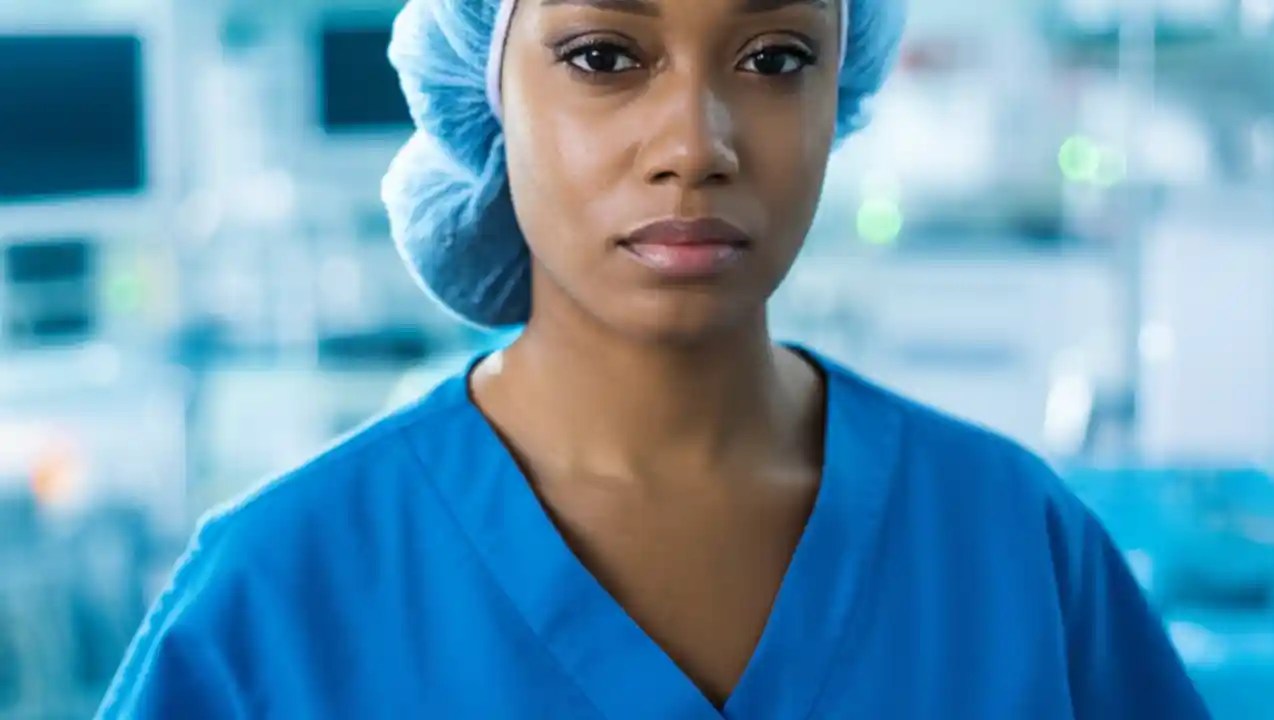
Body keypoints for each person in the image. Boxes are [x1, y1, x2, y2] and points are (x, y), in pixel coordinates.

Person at [97, 0, 1212, 718]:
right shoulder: (282, 600)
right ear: (486, 85)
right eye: (603, 57)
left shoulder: (1008, 545)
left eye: (774, 56)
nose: (695, 144)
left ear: (845, 84)